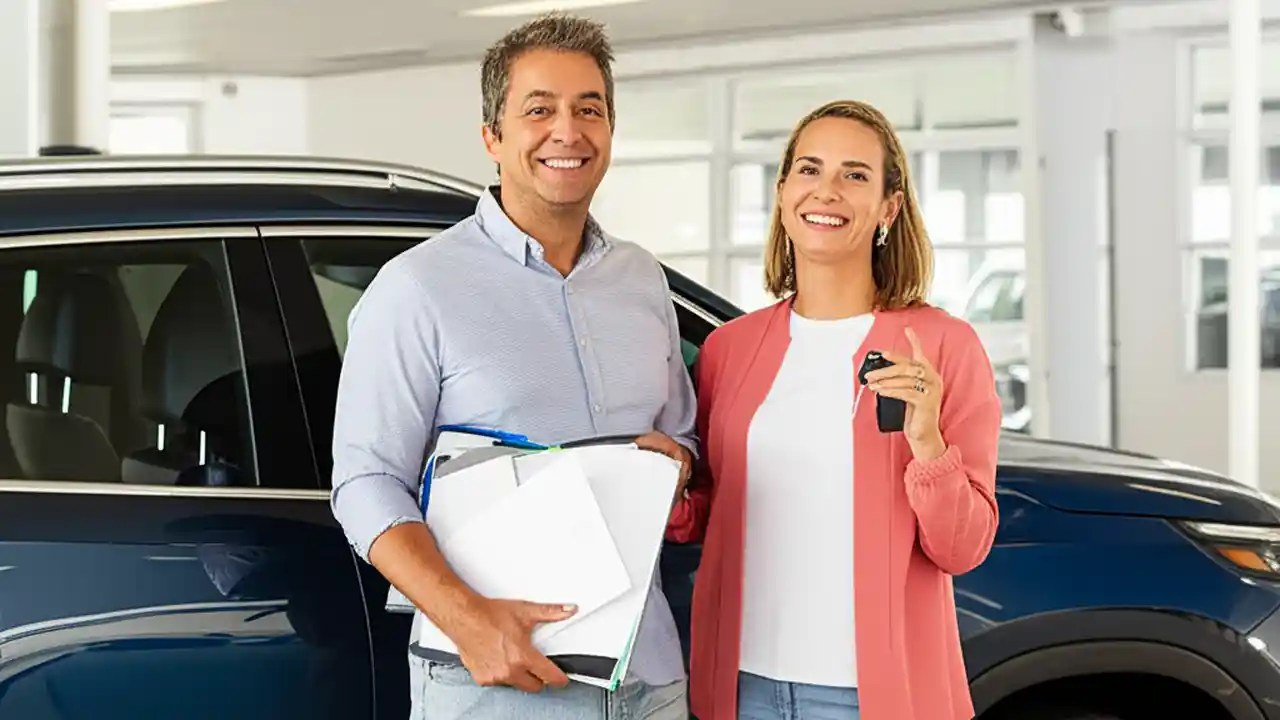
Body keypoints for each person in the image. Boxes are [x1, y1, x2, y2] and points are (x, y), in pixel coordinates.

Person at [330, 12, 695, 720]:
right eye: (540, 110)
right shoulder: (416, 289)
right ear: (492, 137)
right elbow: (366, 483)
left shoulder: (642, 280)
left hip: (647, 679)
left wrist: (677, 459)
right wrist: (467, 618)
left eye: (589, 109)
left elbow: (683, 435)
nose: (568, 130)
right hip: (499, 686)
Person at [666, 99, 1002, 720]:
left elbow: (963, 548)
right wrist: (668, 490)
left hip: (872, 696)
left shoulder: (944, 346)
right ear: (783, 192)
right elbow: (710, 510)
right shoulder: (729, 350)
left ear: (888, 207)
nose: (827, 191)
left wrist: (928, 443)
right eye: (810, 169)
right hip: (743, 687)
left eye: (855, 175)